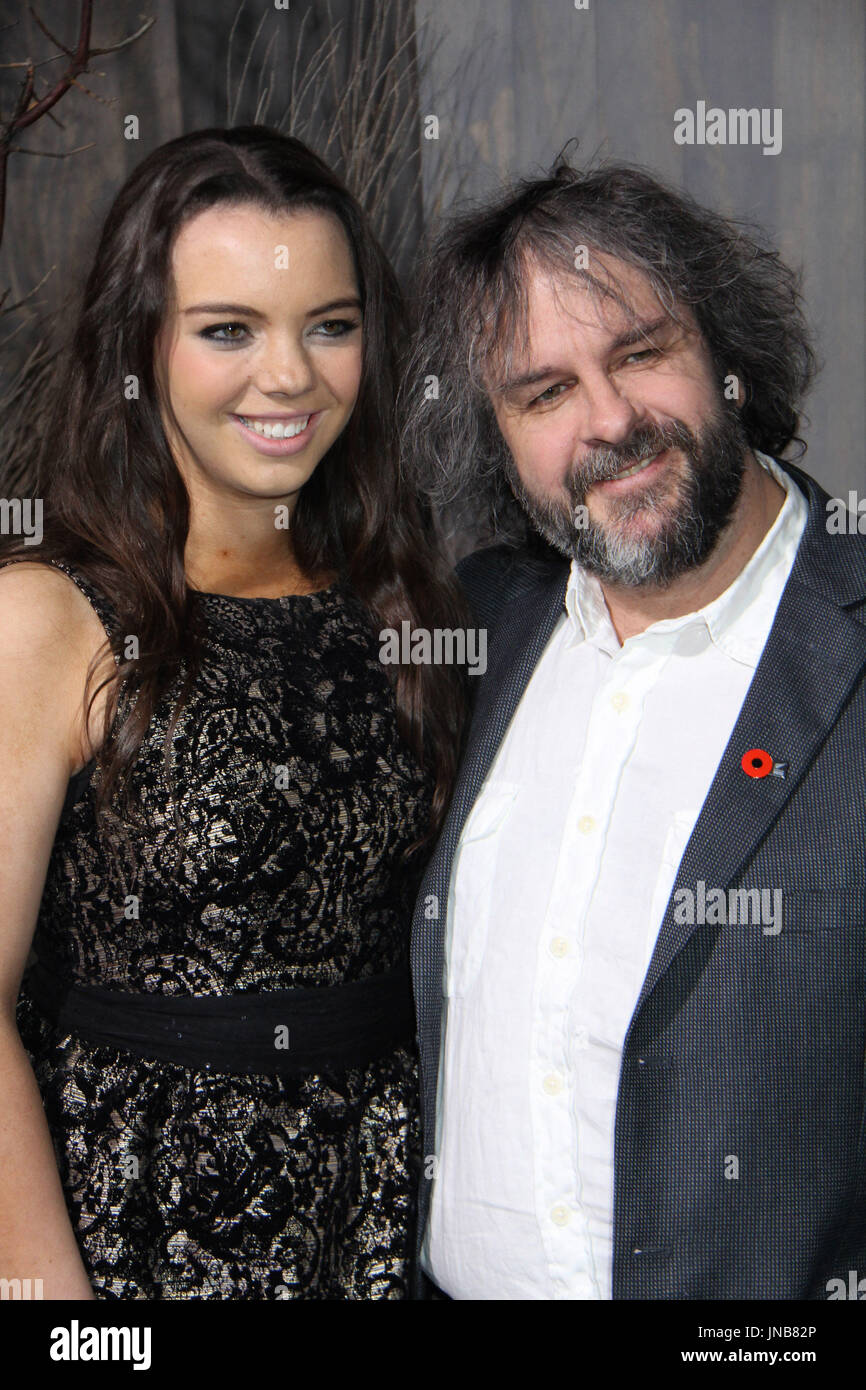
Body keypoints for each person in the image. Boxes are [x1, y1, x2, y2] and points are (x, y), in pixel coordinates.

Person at [0, 125, 468, 1300]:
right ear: (136, 349)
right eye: (227, 330)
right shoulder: (48, 619)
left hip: (384, 1231)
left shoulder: (404, 604)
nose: (291, 377)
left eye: (330, 325)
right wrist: (53, 1306)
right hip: (138, 1248)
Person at [402, 159, 866, 1300]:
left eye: (639, 353)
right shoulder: (479, 635)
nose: (609, 422)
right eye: (543, 392)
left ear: (724, 356)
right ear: (498, 440)